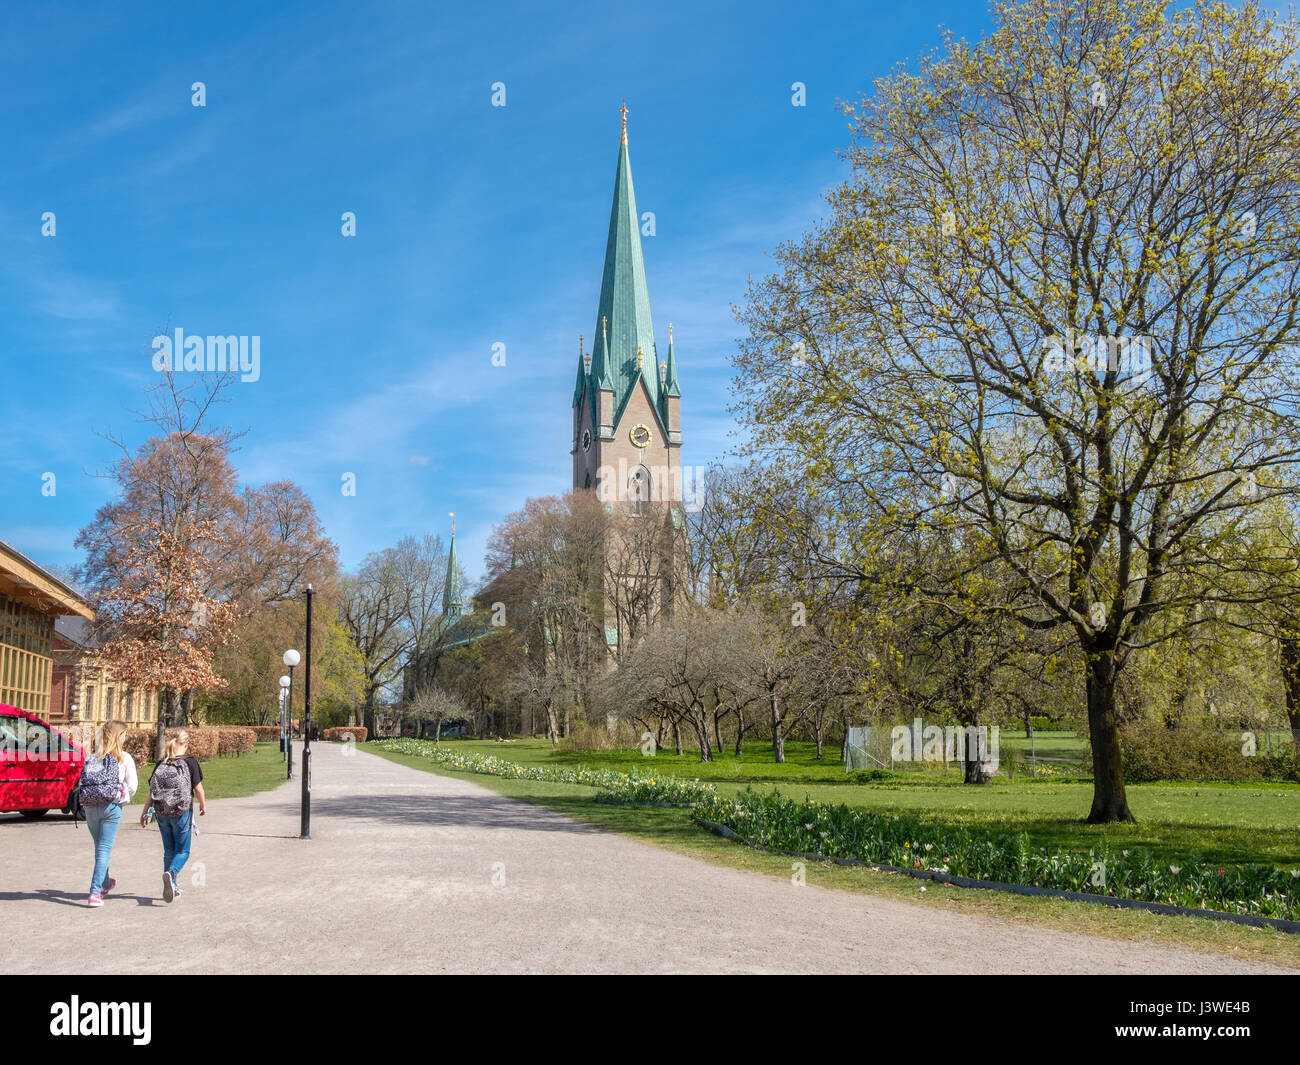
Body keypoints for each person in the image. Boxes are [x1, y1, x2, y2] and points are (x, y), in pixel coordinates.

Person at [142, 729, 206, 903]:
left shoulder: (161, 763)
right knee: (183, 851)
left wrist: (145, 812)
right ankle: (171, 874)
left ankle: (173, 886)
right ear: (186, 744)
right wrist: (203, 804)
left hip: (162, 812)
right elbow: (198, 788)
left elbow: (151, 791)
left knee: (169, 850)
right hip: (181, 811)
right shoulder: (190, 762)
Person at [81, 720, 137, 907]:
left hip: (89, 806)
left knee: (99, 848)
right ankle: (95, 893)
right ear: (118, 736)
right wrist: (124, 799)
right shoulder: (124, 758)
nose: (126, 737)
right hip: (111, 807)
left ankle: (105, 883)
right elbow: (133, 786)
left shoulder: (93, 757)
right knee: (103, 849)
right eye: (124, 734)